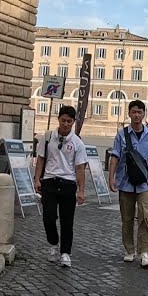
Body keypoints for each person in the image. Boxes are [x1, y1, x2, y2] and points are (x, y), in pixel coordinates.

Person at [33, 105, 86, 268]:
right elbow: (40, 159)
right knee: (48, 217)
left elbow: (80, 167)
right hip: (49, 180)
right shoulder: (48, 137)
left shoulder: (77, 143)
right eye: (63, 121)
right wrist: (37, 179)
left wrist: (81, 190)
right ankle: (53, 242)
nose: (66, 124)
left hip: (68, 183)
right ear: (59, 120)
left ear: (73, 122)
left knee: (67, 220)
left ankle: (65, 252)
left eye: (69, 121)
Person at [107, 99, 148, 268]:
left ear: (144, 115)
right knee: (127, 217)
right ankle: (129, 249)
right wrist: (111, 177)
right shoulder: (121, 135)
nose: (136, 115)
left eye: (139, 112)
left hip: (145, 182)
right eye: (133, 112)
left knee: (145, 215)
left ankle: (144, 251)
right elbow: (115, 156)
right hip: (126, 182)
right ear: (129, 113)